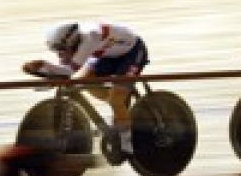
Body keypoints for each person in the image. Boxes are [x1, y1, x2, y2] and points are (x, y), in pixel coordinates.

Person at [22, 22, 149, 155]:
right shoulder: (75, 43)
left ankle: (127, 146)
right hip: (107, 53)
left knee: (115, 100)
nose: (60, 54)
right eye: (57, 50)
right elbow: (65, 68)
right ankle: (119, 106)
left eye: (62, 49)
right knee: (86, 82)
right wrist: (46, 73)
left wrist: (44, 65)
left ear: (72, 42)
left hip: (132, 53)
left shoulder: (89, 40)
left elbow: (69, 71)